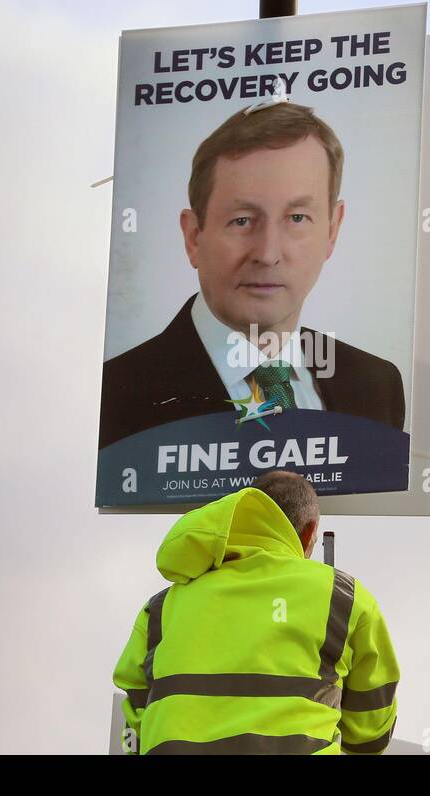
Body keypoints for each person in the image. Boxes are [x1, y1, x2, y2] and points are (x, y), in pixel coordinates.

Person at [98, 101, 406, 449]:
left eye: (297, 218)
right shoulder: (117, 394)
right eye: (242, 220)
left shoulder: (378, 387)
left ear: (332, 230)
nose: (268, 254)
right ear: (193, 236)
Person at [112, 471, 399, 754]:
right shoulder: (343, 597)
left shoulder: (159, 610)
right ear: (310, 532)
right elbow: (368, 735)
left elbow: (137, 723)